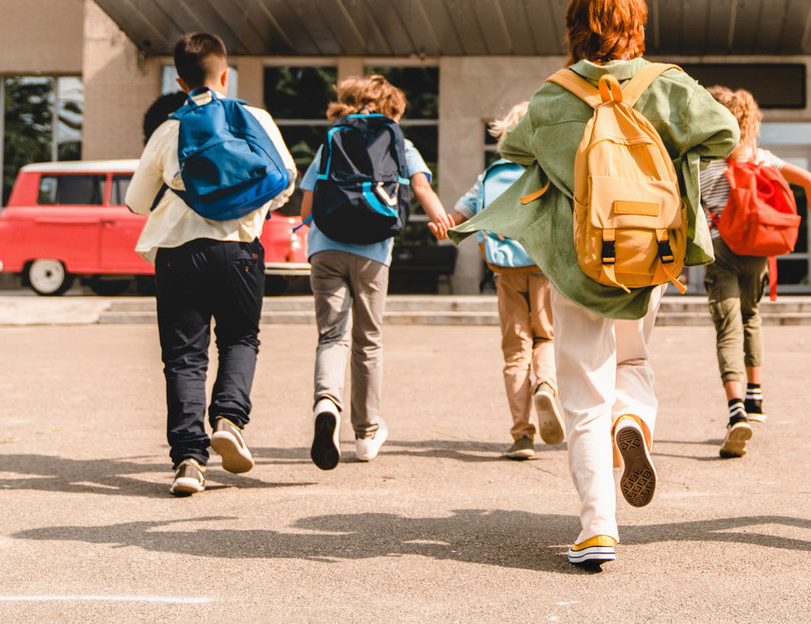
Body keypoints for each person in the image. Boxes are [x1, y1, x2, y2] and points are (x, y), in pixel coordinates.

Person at [449, 0, 738, 568]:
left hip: (579, 260)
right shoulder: (668, 85)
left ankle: (598, 526)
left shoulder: (553, 97)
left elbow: (513, 154)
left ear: (575, 27)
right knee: (633, 360)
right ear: (637, 23)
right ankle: (632, 419)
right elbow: (725, 134)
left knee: (583, 391)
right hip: (649, 255)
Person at [126, 32, 297, 497]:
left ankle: (188, 461)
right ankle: (228, 419)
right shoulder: (253, 118)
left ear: (180, 80)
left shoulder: (169, 128)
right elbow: (285, 179)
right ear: (226, 75)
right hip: (240, 249)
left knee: (184, 357)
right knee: (240, 338)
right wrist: (248, 209)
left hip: (178, 251)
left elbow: (135, 202)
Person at [300, 74, 452, 470]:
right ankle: (366, 434)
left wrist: (313, 237)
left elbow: (307, 205)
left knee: (331, 336)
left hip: (326, 248)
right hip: (373, 252)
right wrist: (441, 222)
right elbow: (421, 188)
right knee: (368, 341)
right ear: (392, 110)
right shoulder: (400, 142)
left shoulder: (333, 137)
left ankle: (326, 405)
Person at [699, 86, 811, 459]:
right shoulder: (759, 157)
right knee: (751, 315)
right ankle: (755, 398)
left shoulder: (703, 163)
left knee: (728, 327)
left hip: (721, 249)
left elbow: (687, 211)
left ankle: (735, 409)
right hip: (757, 250)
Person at [445, 101, 563, 461]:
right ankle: (545, 384)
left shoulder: (489, 176)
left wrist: (443, 223)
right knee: (546, 337)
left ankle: (522, 435)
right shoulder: (547, 171)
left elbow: (456, 219)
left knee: (516, 351)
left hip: (504, 270)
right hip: (544, 266)